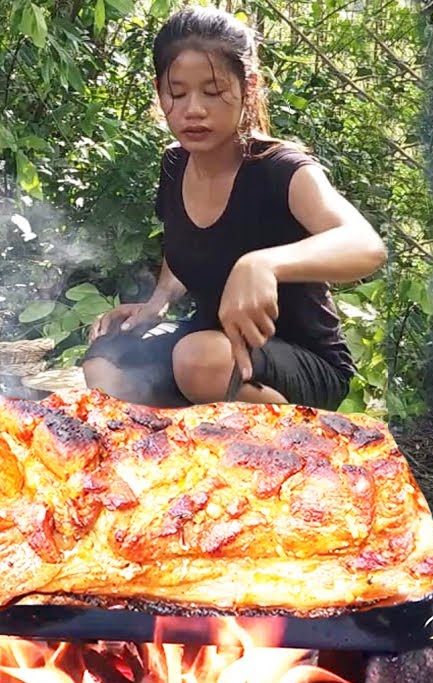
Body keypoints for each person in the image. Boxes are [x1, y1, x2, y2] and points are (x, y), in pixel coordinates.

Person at [82, 6, 386, 410]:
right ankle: (169, 453)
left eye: (212, 91)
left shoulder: (280, 169)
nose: (193, 109)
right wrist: (157, 303)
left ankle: (288, 450)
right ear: (159, 91)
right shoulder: (175, 164)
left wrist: (263, 264)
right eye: (178, 92)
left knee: (198, 360)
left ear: (249, 88)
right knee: (105, 359)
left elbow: (366, 246)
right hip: (210, 343)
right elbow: (185, 243)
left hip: (297, 361)